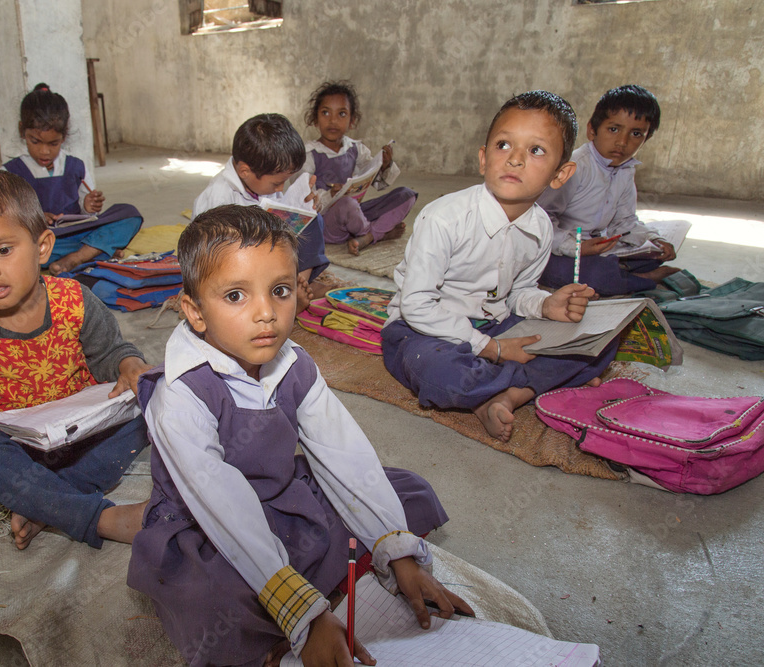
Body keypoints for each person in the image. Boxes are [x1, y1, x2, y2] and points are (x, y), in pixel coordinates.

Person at [128, 204, 472, 667]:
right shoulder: (181, 395)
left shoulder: (296, 366)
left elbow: (343, 454)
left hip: (281, 494)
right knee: (214, 604)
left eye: (281, 290)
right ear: (194, 311)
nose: (266, 313)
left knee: (406, 493)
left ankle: (326, 576)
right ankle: (295, 602)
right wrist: (304, 616)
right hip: (207, 521)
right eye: (235, 296)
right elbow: (225, 506)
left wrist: (398, 552)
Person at [0, 170, 151, 550]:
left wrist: (128, 367)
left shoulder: (73, 298)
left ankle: (48, 500)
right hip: (9, 447)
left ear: (42, 247)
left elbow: (108, 353)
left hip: (77, 431)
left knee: (147, 408)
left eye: (2, 250)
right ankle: (97, 517)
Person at [382, 91, 618, 443]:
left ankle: (502, 394)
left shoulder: (541, 228)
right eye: (504, 145)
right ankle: (526, 384)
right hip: (423, 330)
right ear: (483, 158)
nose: (516, 160)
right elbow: (416, 306)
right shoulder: (444, 218)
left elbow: (517, 294)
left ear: (561, 174)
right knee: (438, 370)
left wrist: (544, 304)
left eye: (536, 150)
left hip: (495, 324)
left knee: (600, 336)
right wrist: (495, 350)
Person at [537, 85, 678, 295]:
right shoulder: (575, 166)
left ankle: (626, 274)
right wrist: (577, 248)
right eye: (613, 129)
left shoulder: (625, 169)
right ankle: (642, 280)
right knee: (590, 275)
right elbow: (540, 220)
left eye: (636, 134)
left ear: (646, 139)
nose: (623, 142)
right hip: (558, 250)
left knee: (650, 258)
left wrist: (654, 240)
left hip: (596, 249)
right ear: (592, 130)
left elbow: (625, 221)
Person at [192, 114, 329, 312]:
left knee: (314, 221)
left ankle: (297, 284)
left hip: (270, 253)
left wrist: (304, 207)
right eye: (276, 183)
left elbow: (281, 212)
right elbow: (215, 253)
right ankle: (285, 294)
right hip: (236, 259)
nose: (280, 187)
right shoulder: (219, 195)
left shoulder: (263, 182)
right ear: (244, 171)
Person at [3, 83, 143, 275]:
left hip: (76, 237)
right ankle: (94, 252)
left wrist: (88, 205)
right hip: (40, 243)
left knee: (129, 213)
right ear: (22, 131)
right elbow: (2, 218)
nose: (44, 151)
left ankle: (75, 259)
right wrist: (32, 217)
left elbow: (87, 216)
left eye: (53, 143)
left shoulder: (75, 166)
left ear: (64, 136)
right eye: (35, 141)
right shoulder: (9, 172)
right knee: (11, 248)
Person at [302, 80, 417, 255]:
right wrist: (330, 196)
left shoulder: (356, 149)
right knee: (347, 203)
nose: (333, 120)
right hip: (327, 224)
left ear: (352, 120)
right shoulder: (309, 153)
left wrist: (384, 166)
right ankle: (376, 234)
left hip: (354, 215)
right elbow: (302, 198)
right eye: (325, 113)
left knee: (406, 195)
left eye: (341, 114)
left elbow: (378, 183)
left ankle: (368, 235)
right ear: (315, 119)